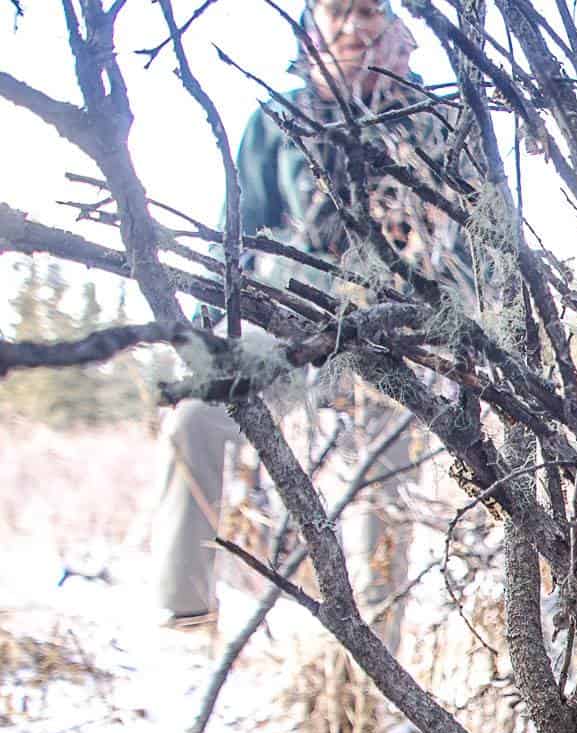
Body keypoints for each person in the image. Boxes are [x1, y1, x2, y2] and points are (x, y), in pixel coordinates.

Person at [153, 0, 468, 654]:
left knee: (385, 468)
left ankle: (376, 655)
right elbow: (235, 234)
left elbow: (478, 242)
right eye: (337, 11)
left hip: (397, 334)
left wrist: (462, 326)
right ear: (312, 24)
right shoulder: (276, 120)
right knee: (195, 414)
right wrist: (214, 325)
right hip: (291, 321)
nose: (354, 26)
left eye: (369, 11)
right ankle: (184, 612)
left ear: (394, 21)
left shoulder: (439, 121)